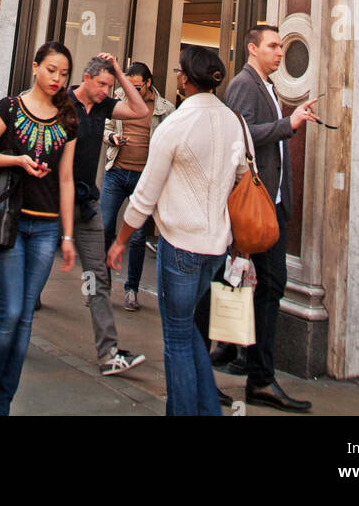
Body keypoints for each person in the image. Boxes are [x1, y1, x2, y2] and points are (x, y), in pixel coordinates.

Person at [107, 44, 248, 416]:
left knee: (177, 339)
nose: (178, 77)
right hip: (216, 247)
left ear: (187, 79)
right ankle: (208, 409)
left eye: (180, 72)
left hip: (181, 244)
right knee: (187, 332)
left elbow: (145, 195)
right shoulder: (233, 122)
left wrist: (121, 240)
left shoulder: (175, 124)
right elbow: (243, 178)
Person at [0, 41, 77, 416]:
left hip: (46, 228)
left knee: (26, 315)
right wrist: (18, 160)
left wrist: (67, 235)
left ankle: (2, 405)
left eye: (64, 74)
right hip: (10, 221)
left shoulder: (68, 119)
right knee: (11, 311)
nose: (57, 79)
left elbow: (67, 179)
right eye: (51, 70)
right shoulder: (9, 108)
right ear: (35, 67)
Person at [224, 24, 320, 412]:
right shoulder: (244, 85)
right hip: (254, 206)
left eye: (281, 46)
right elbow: (240, 136)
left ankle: (243, 361)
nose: (280, 52)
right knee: (265, 283)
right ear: (253, 49)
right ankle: (257, 376)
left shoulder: (266, 85)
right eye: (273, 46)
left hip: (270, 204)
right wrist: (288, 124)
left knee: (262, 283)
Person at [69, 52, 148, 375]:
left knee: (98, 276)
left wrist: (117, 70)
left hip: (86, 203)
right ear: (86, 79)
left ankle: (109, 353)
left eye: (109, 85)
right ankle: (16, 327)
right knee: (37, 268)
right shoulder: (64, 103)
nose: (105, 91)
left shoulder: (103, 106)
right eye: (101, 84)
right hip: (54, 201)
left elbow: (140, 110)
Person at [101, 61, 174, 311]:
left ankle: (131, 289)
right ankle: (102, 287)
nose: (132, 91)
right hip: (116, 172)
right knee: (104, 227)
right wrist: (112, 137)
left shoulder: (165, 109)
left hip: (144, 178)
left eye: (137, 87)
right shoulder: (117, 100)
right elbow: (104, 126)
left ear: (148, 83)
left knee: (138, 236)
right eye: (128, 86)